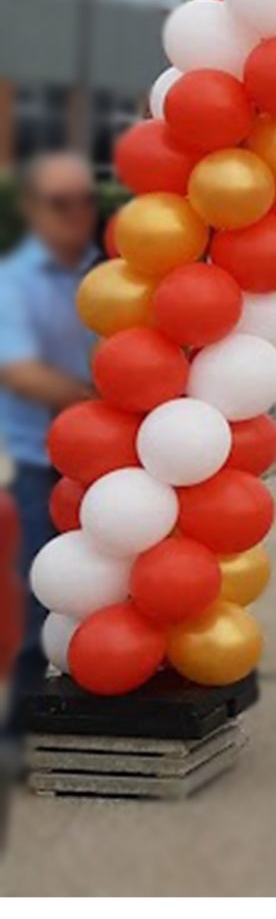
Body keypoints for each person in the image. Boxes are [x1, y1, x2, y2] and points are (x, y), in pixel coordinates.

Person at [1, 153, 101, 719]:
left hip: (116, 469)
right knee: (39, 594)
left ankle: (99, 696)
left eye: (86, 200)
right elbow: (18, 371)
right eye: (60, 203)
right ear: (32, 209)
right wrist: (104, 405)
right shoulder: (11, 283)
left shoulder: (112, 271)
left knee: (106, 591)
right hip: (45, 466)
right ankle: (19, 723)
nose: (77, 213)